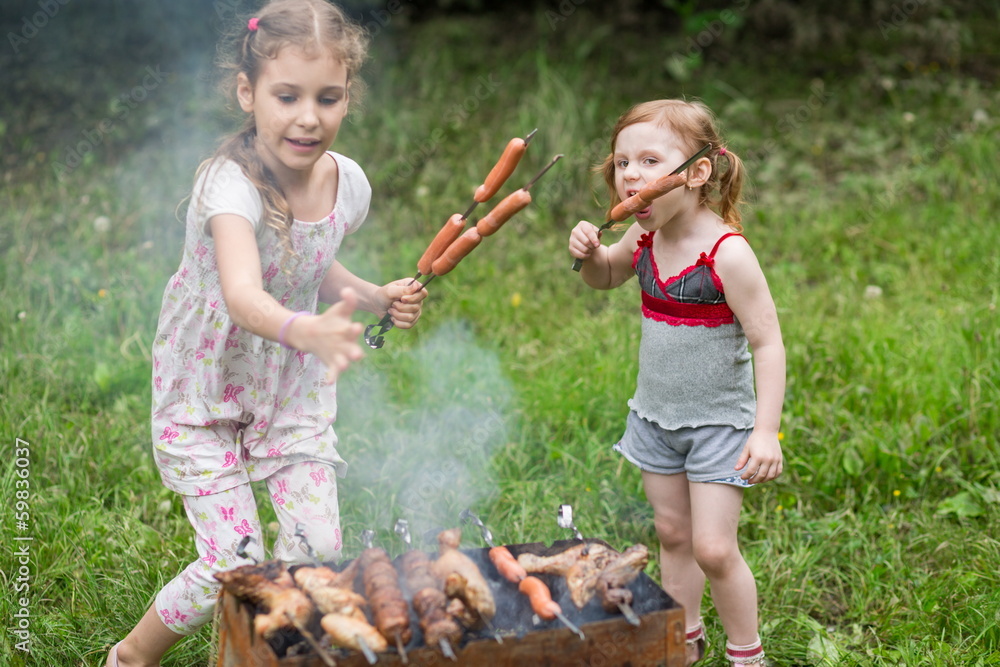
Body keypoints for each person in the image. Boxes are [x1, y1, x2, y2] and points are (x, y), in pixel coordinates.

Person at [107, 2, 427, 665]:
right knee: (236, 562)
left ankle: (247, 657)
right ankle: (132, 654)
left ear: (348, 98)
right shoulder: (230, 187)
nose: (308, 116)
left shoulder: (348, 184)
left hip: (289, 394)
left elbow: (310, 258)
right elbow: (244, 292)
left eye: (327, 97)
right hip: (207, 394)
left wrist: (371, 295)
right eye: (287, 96)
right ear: (248, 92)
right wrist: (303, 328)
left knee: (316, 555)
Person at [568, 99, 785, 666]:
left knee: (714, 549)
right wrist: (591, 255)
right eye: (621, 163)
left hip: (718, 426)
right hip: (656, 419)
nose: (630, 176)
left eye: (648, 161)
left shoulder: (726, 254)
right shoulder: (643, 240)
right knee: (672, 533)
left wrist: (766, 433)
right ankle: (682, 640)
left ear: (697, 173)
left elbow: (768, 343)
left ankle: (747, 654)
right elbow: (606, 277)